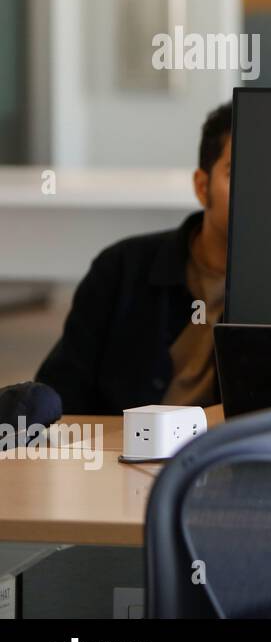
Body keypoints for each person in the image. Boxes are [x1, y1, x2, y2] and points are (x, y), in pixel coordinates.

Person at [35, 102, 233, 415]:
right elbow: (60, 393)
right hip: (116, 455)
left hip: (220, 458)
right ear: (202, 185)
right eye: (235, 172)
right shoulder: (121, 269)